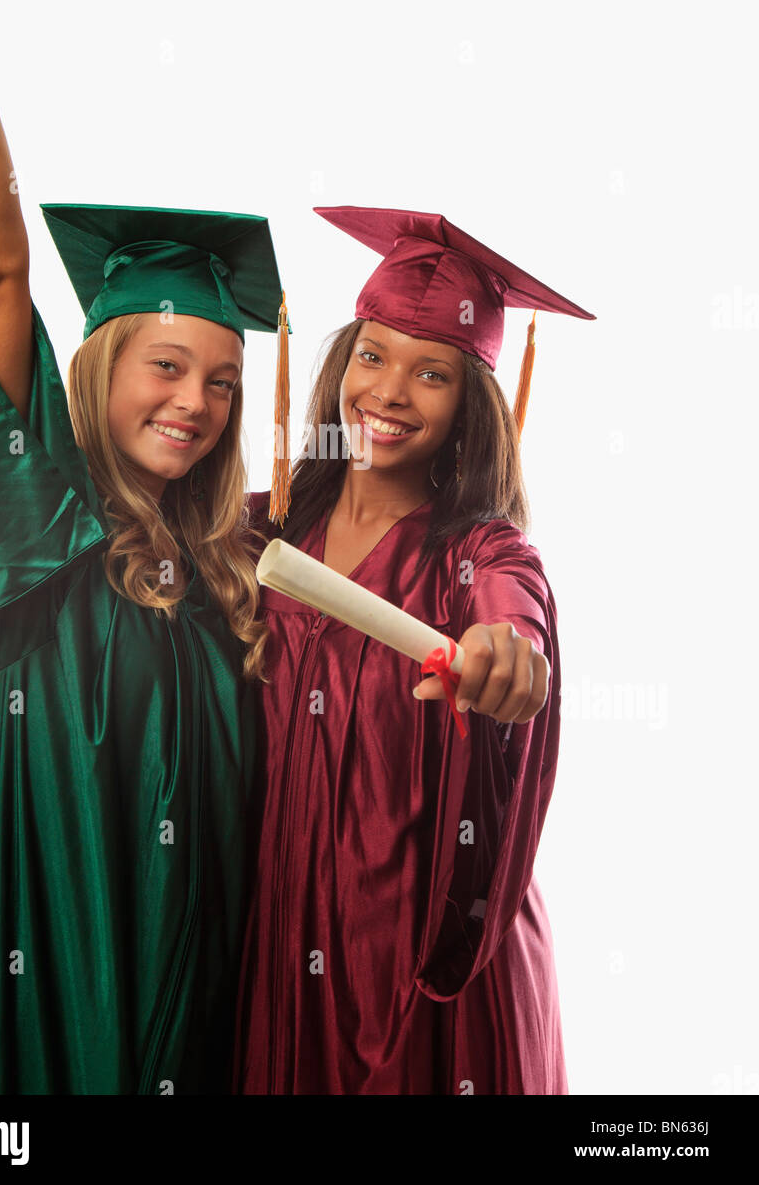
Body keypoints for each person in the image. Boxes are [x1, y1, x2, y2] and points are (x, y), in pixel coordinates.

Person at [0, 0, 290, 1094]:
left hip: (212, 1023)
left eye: (221, 382)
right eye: (166, 364)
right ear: (102, 359)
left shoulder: (238, 573)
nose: (194, 400)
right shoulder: (38, 520)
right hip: (58, 1017)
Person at [233, 205, 595, 1095]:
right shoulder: (256, 532)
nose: (388, 393)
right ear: (339, 365)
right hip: (285, 940)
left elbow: (513, 619)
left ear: (471, 401)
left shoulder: (478, 551)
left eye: (430, 372)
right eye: (371, 355)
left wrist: (506, 654)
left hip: (425, 948)